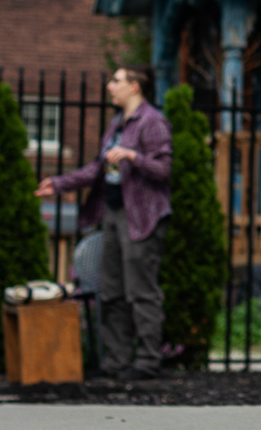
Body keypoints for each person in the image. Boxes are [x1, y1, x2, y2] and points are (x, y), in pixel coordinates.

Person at [37, 65, 172, 380]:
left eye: (117, 80)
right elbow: (95, 169)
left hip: (142, 217)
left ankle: (149, 361)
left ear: (135, 86)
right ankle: (117, 361)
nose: (110, 86)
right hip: (112, 214)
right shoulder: (116, 125)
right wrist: (58, 184)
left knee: (141, 290)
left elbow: (164, 169)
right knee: (110, 289)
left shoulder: (153, 122)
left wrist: (132, 156)